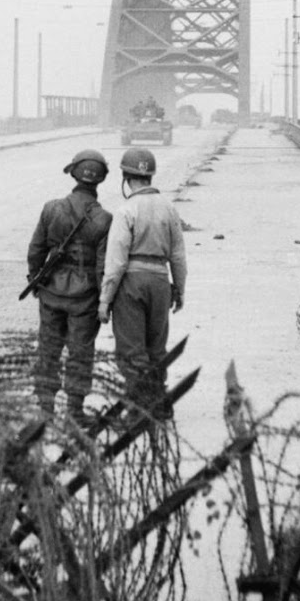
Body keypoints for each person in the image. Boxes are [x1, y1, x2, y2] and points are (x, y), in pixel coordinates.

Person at [98, 146, 187, 423]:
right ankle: (160, 402)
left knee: (131, 350)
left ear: (126, 177)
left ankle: (138, 409)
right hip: (161, 281)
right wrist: (179, 289)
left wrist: (105, 299)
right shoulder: (169, 208)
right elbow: (178, 255)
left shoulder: (126, 210)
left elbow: (116, 262)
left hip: (131, 283)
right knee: (156, 347)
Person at [26, 149, 113, 425]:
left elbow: (36, 250)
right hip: (85, 296)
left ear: (73, 173)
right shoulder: (105, 219)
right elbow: (102, 266)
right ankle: (74, 410)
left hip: (51, 291)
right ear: (100, 179)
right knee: (80, 351)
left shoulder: (52, 208)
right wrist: (103, 300)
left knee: (48, 347)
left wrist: (35, 280)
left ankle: (45, 409)